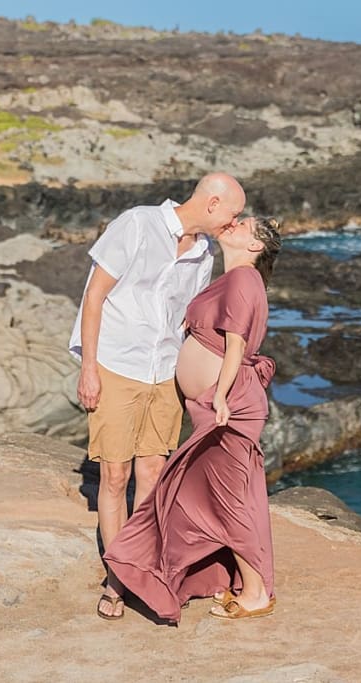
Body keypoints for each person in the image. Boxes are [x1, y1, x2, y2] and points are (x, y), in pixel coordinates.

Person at [69, 173, 246, 620]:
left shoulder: (205, 255)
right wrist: (88, 367)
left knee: (152, 475)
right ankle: (116, 581)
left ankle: (143, 570)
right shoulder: (135, 224)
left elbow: (190, 323)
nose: (234, 221)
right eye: (233, 213)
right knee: (113, 477)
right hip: (116, 367)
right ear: (211, 203)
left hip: (164, 374)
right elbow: (94, 297)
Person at [103, 215, 282, 623]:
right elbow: (222, 330)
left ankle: (256, 594)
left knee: (227, 501)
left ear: (256, 246)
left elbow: (235, 342)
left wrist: (219, 394)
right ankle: (240, 581)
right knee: (219, 498)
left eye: (243, 226)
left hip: (227, 404)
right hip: (218, 403)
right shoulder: (236, 278)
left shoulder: (241, 279)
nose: (233, 224)